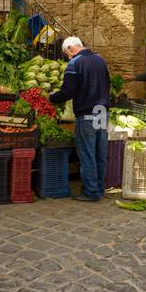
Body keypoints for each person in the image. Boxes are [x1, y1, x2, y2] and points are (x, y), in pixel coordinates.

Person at [49, 36, 110, 201]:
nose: (68, 57)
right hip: (103, 112)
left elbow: (68, 92)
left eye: (66, 54)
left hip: (87, 114)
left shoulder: (74, 64)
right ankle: (99, 188)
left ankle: (91, 192)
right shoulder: (100, 60)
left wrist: (52, 98)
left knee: (87, 154)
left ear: (70, 48)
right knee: (100, 153)